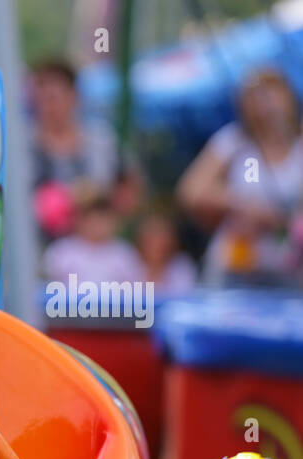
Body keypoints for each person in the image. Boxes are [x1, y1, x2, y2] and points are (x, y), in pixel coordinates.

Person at [176, 68, 303, 285]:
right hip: (235, 267)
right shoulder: (234, 142)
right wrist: (241, 205)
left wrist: (285, 218)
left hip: (289, 271)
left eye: (272, 92)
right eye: (257, 96)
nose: (266, 104)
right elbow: (190, 191)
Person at [29, 60, 141, 242]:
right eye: (40, 99)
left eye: (53, 98)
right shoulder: (24, 147)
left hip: (95, 253)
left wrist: (106, 214)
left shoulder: (102, 141)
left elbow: (130, 187)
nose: (47, 107)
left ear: (73, 96)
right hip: (41, 251)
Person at [41, 184, 144, 286]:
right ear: (80, 219)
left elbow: (136, 291)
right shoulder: (60, 252)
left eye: (103, 217)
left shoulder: (125, 254)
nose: (97, 224)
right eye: (91, 216)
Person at [135, 209, 198, 296]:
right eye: (151, 240)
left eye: (162, 239)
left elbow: (184, 297)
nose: (157, 245)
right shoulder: (130, 265)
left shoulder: (182, 266)